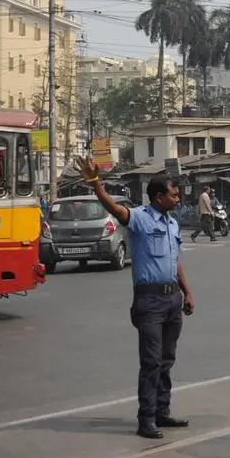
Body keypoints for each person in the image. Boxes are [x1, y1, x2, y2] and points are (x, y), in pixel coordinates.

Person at [74, 156, 194, 440]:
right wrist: (96, 185)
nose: (178, 197)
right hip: (149, 302)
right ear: (158, 197)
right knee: (151, 361)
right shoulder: (140, 218)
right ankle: (146, 418)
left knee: (167, 359)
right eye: (173, 194)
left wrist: (187, 292)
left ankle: (162, 412)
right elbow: (115, 209)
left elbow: (175, 261)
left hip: (172, 299)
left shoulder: (171, 224)